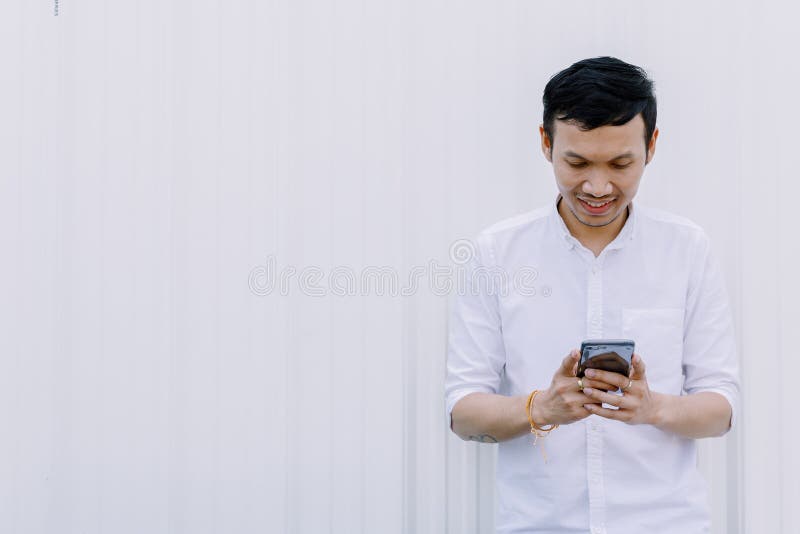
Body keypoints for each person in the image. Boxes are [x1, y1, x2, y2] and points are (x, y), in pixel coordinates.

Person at [444, 56, 740, 534]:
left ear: (652, 147)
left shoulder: (687, 249)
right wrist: (541, 407)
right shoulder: (496, 253)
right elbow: (462, 413)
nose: (598, 186)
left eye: (621, 163)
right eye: (577, 162)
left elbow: (721, 409)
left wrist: (653, 407)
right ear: (546, 144)